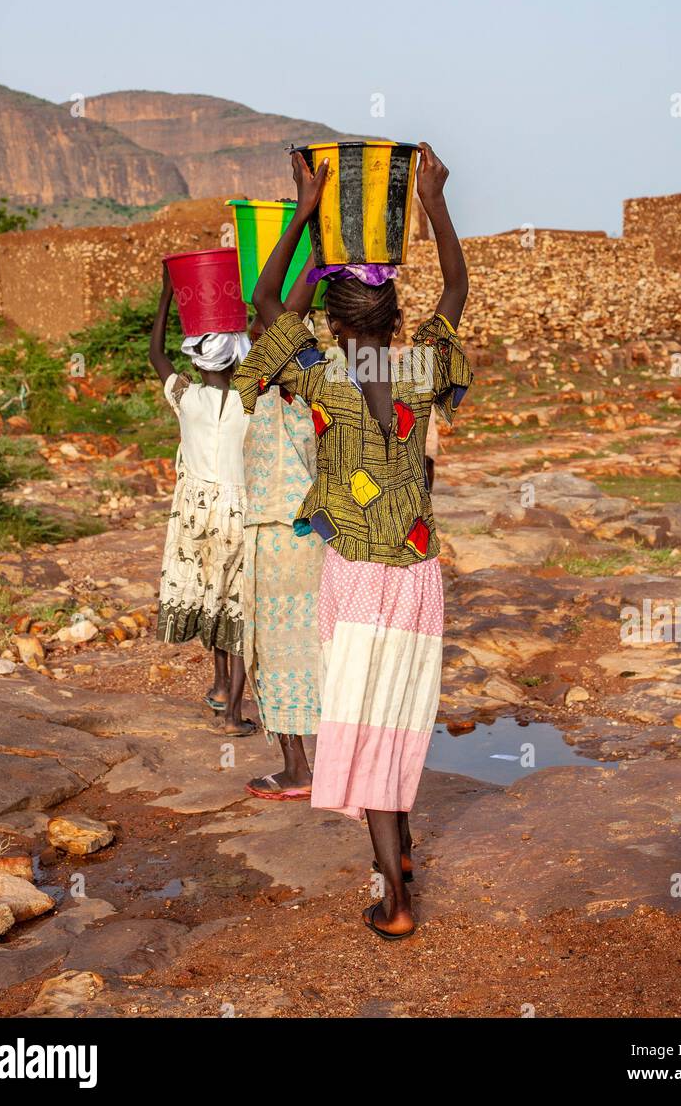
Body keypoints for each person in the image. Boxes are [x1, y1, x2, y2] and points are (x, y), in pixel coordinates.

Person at [233, 142, 471, 940]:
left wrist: (304, 209)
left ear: (332, 325)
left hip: (356, 572)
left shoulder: (321, 376)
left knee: (364, 720)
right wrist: (434, 200)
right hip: (417, 574)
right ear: (398, 317)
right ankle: (396, 856)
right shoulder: (420, 366)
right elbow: (458, 286)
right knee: (398, 715)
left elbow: (266, 302)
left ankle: (395, 900)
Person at [149, 265, 255, 737]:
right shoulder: (250, 402)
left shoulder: (185, 397)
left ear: (196, 364)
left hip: (193, 512)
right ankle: (232, 713)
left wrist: (168, 295)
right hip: (237, 511)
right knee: (237, 608)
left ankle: (218, 688)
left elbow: (156, 353)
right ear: (238, 362)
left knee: (211, 598)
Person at [241, 266, 325, 800]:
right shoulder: (324, 378)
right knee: (320, 647)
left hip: (277, 536)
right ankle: (341, 768)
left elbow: (273, 308)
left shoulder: (264, 380)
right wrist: (317, 257)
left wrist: (307, 234)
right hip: (314, 533)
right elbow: (281, 316)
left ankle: (298, 768)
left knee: (276, 651)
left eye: (260, 327)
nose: (254, 331)